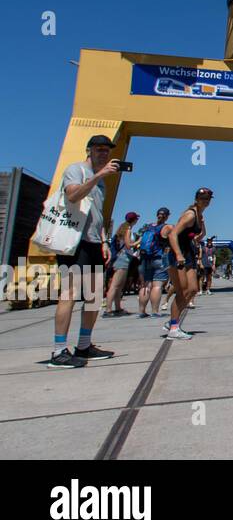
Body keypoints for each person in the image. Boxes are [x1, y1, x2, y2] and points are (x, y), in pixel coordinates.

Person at [48, 135, 118, 368]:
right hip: (74, 242)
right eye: (99, 150)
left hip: (93, 242)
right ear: (88, 150)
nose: (104, 154)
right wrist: (98, 175)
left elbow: (97, 216)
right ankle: (59, 351)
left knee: (94, 296)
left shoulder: (101, 184)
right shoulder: (76, 170)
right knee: (69, 293)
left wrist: (104, 241)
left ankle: (84, 346)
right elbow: (72, 195)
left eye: (107, 151)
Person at [164, 189, 213, 340]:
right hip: (179, 254)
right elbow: (172, 234)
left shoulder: (199, 215)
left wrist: (203, 226)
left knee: (192, 289)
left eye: (208, 198)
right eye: (202, 198)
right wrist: (178, 254)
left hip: (189, 254)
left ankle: (172, 320)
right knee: (182, 290)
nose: (206, 201)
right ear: (196, 199)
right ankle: (173, 328)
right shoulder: (191, 214)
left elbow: (199, 236)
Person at [102, 212, 141, 316]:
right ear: (134, 220)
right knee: (115, 285)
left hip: (121, 258)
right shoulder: (128, 230)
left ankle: (118, 308)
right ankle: (108, 309)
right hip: (123, 258)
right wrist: (138, 241)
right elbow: (128, 245)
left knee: (119, 286)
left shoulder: (121, 228)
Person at [137, 207, 171, 317]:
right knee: (157, 286)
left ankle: (142, 311)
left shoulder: (148, 227)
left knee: (146, 285)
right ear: (167, 216)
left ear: (157, 215)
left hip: (145, 258)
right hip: (158, 258)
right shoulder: (165, 227)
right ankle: (155, 312)